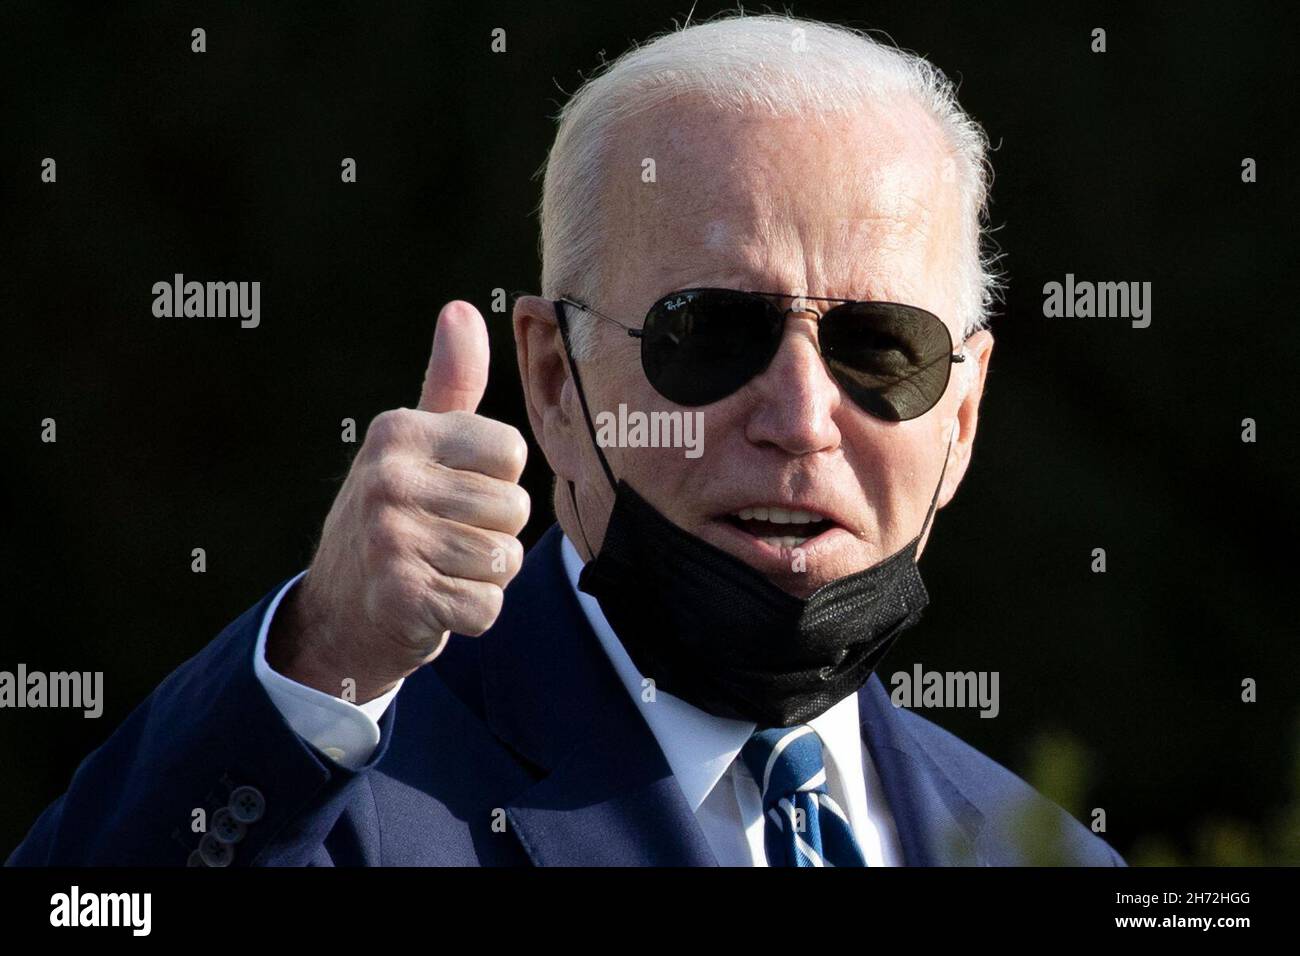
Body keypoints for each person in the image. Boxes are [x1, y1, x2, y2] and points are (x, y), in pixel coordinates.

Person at [8, 13, 1123, 867]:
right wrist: (320, 654)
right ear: (551, 375)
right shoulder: (344, 802)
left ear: (962, 411)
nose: (797, 418)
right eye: (710, 334)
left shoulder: (1050, 854)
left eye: (881, 348)